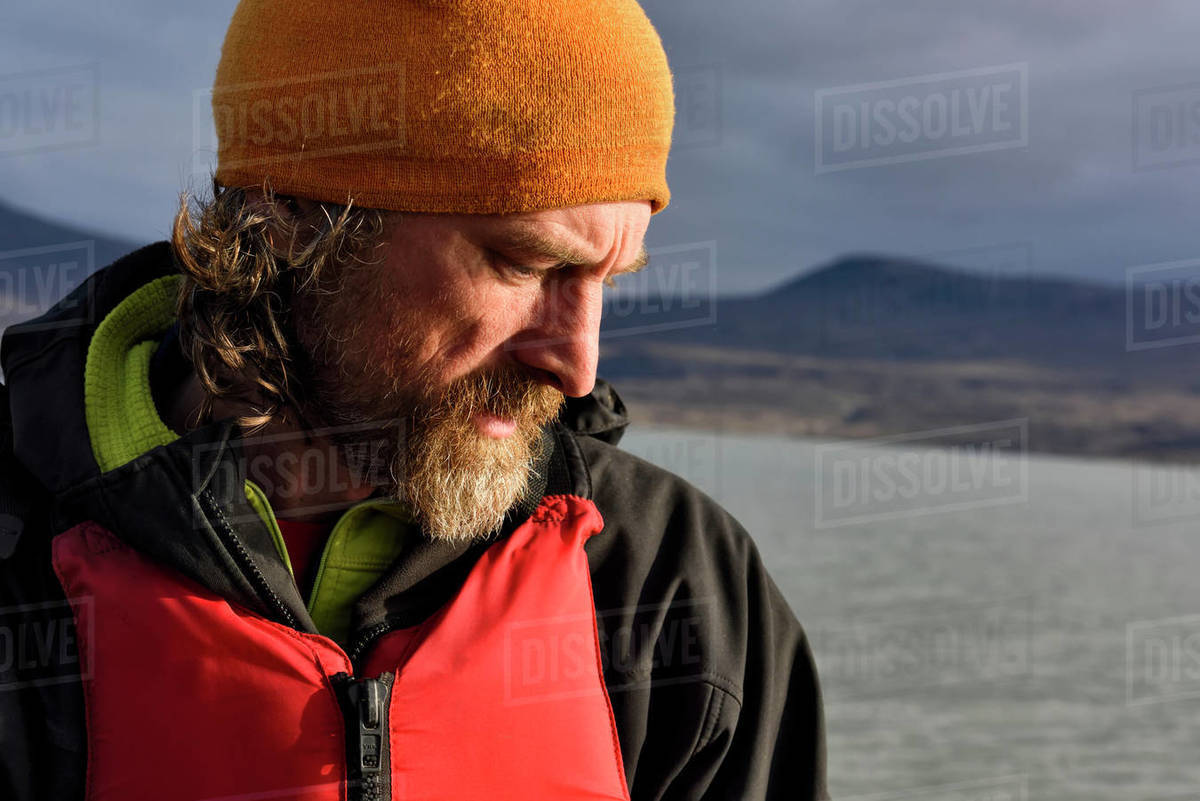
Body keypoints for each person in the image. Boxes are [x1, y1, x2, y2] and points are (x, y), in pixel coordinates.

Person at [0, 1, 828, 799]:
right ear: (290, 215)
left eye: (606, 281)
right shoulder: (23, 559)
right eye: (524, 264)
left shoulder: (673, 584)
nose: (579, 366)